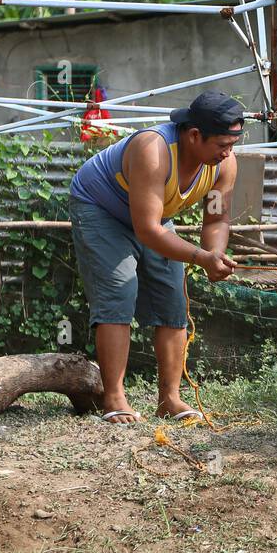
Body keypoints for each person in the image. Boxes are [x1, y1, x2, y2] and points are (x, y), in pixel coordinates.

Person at [68, 90, 241, 424]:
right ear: (194, 136)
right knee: (120, 290)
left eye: (232, 144)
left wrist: (214, 255)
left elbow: (217, 219)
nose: (228, 153)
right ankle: (114, 398)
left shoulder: (224, 166)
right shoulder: (154, 151)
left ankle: (170, 399)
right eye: (222, 144)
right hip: (100, 209)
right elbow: (147, 231)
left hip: (153, 218)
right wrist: (201, 258)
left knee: (171, 296)